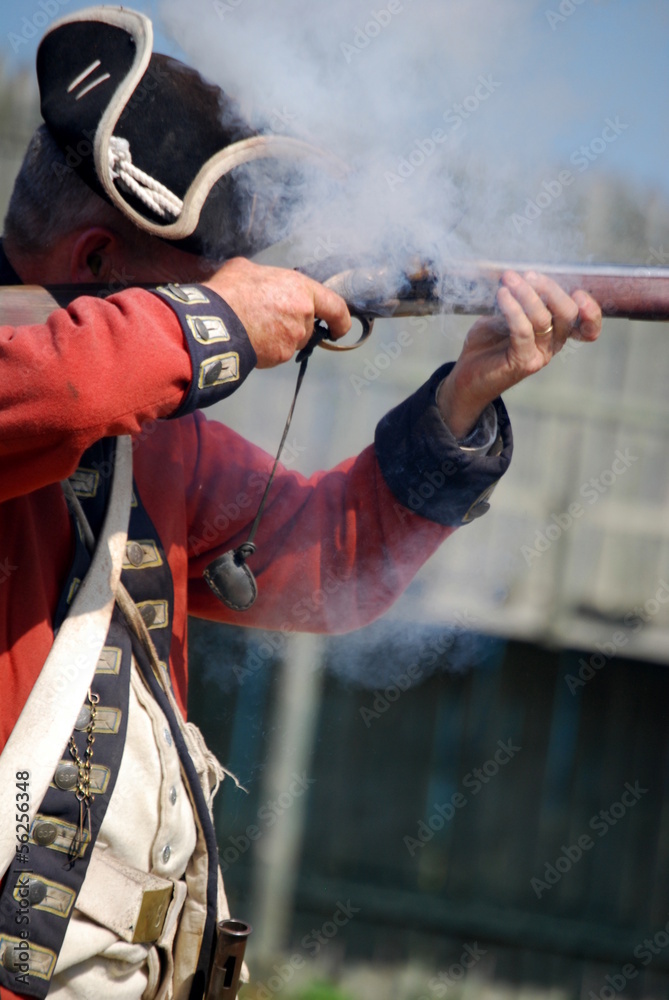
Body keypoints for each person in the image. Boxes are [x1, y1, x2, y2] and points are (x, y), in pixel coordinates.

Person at [0, 7, 602, 1000]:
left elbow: (329, 564)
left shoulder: (155, 446)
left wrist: (463, 399)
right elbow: (63, 386)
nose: (229, 286)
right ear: (102, 262)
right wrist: (220, 319)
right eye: (202, 272)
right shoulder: (57, 377)